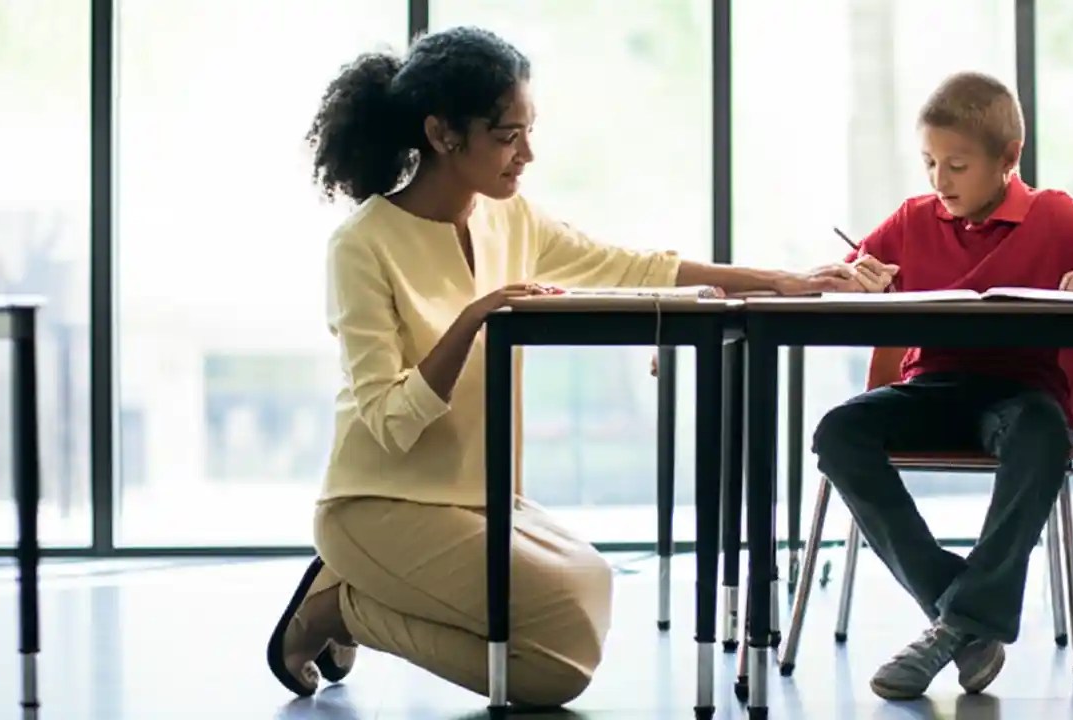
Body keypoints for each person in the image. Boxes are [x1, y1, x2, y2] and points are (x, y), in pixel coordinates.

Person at [264, 26, 896, 708]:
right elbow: (390, 422)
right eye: (507, 136)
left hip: (479, 499)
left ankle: (353, 594)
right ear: (443, 134)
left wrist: (782, 280)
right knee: (551, 670)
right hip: (377, 503)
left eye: (529, 132)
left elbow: (633, 267)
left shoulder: (511, 220)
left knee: (590, 584)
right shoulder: (361, 244)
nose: (527, 154)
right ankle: (341, 609)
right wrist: (475, 317)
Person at [810, 71, 1073, 701]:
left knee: (1041, 431)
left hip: (1021, 397)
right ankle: (965, 618)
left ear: (1008, 158)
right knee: (838, 432)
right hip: (933, 389)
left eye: (957, 165)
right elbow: (825, 284)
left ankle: (958, 621)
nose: (940, 181)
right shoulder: (912, 219)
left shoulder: (1054, 215)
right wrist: (849, 279)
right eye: (930, 162)